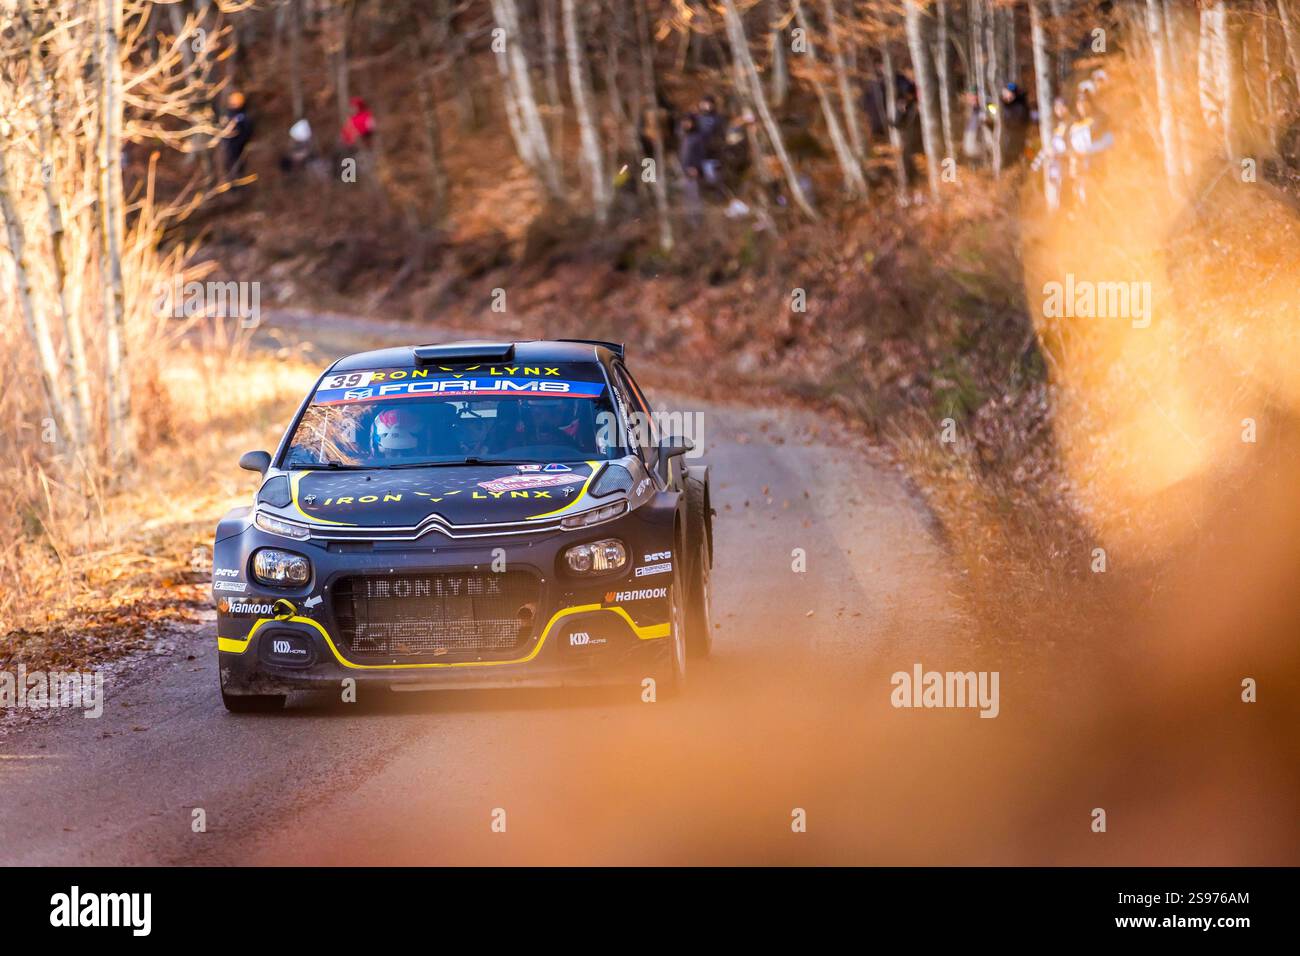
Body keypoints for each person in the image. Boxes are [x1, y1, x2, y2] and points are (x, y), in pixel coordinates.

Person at [995, 82, 1032, 168]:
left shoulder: (1020, 107)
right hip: (1008, 143)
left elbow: (1018, 125)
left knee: (1014, 165)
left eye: (1006, 93)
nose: (1004, 95)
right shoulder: (1006, 106)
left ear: (1012, 94)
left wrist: (1003, 124)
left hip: (1016, 144)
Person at [222, 91, 253, 181]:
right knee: (229, 167)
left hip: (239, 147)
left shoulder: (243, 117)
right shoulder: (228, 116)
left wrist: (239, 143)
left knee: (239, 169)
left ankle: (238, 185)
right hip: (229, 147)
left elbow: (247, 132)